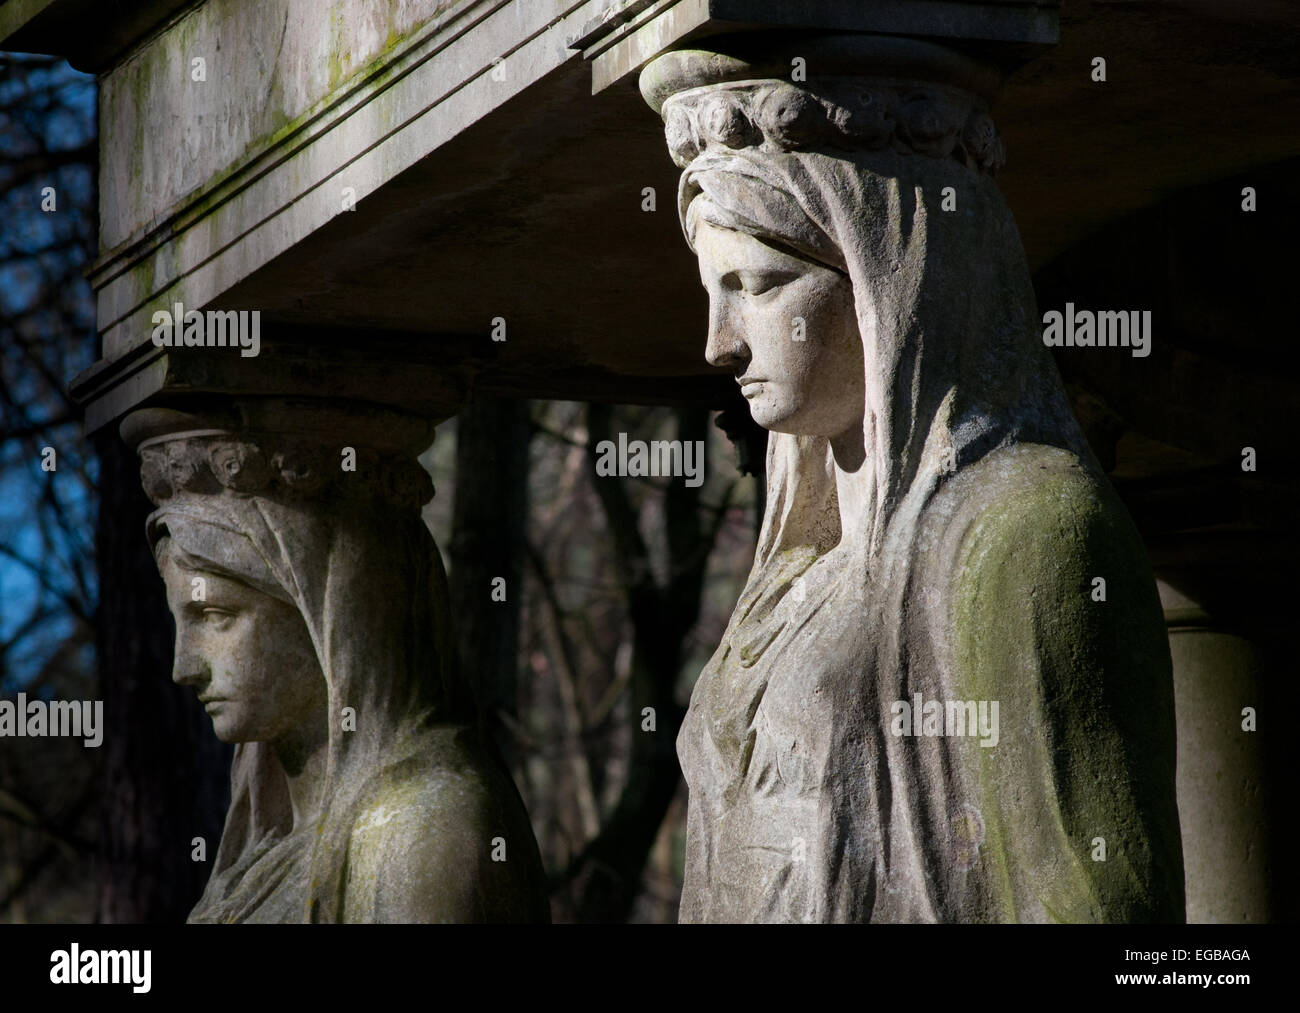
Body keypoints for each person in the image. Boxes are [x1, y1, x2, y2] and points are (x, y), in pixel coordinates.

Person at [645, 42, 1186, 922]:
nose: (721, 343)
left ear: (884, 284)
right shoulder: (794, 568)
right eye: (715, 292)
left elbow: (1101, 910)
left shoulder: (1024, 530)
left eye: (759, 286)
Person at [126, 404, 550, 922]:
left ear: (328, 606)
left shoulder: (424, 830)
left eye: (216, 615)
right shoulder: (268, 844)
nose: (183, 666)